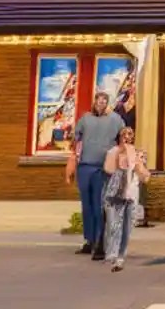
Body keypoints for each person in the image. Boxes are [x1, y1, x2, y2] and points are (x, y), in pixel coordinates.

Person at [67, 90, 125, 259]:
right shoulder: (85, 119)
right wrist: (72, 161)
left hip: (104, 168)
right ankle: (89, 240)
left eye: (104, 101)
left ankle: (101, 242)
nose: (101, 104)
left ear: (108, 103)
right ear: (94, 102)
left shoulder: (116, 119)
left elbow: (124, 139)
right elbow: (75, 140)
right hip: (85, 166)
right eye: (99, 101)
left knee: (100, 205)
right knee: (87, 205)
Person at [101, 126, 150, 271]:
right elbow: (108, 169)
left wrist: (140, 166)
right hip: (114, 194)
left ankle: (120, 256)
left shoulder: (137, 153)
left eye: (130, 134)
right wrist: (120, 158)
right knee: (114, 225)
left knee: (127, 227)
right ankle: (111, 254)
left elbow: (144, 175)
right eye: (124, 134)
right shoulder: (113, 152)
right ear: (119, 137)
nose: (127, 137)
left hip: (131, 194)